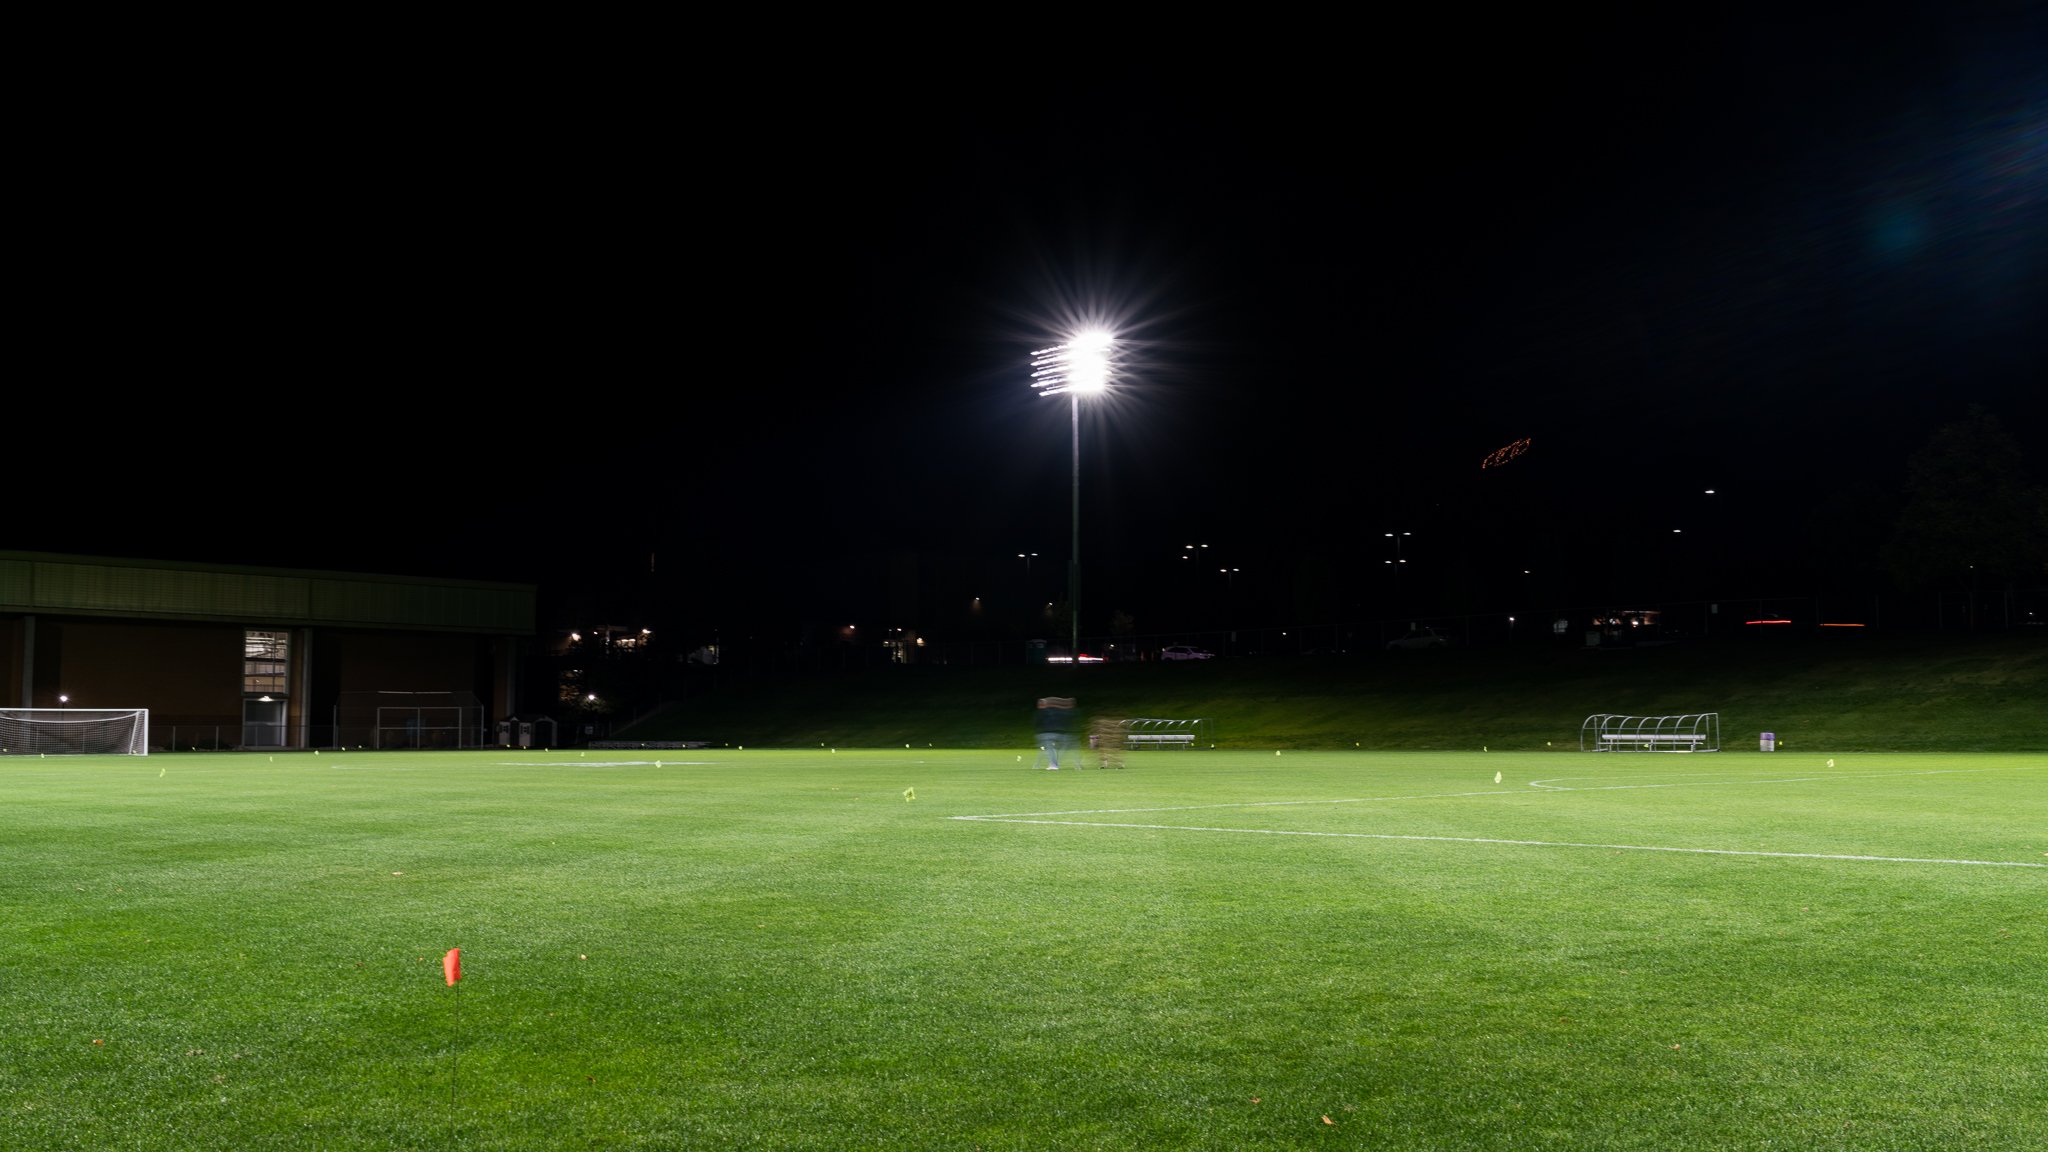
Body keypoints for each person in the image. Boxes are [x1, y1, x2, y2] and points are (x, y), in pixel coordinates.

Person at [1032, 696, 1077, 769]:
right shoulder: (1052, 711)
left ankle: (1053, 765)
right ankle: (1040, 765)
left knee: (1048, 750)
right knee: (1049, 750)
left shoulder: (1044, 712)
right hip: (1055, 733)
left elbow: (1038, 723)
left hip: (1047, 733)